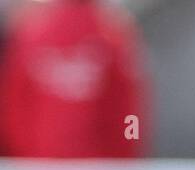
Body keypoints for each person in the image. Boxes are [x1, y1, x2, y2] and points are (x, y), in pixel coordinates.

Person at [0, 0, 150, 160]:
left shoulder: (32, 35)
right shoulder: (115, 38)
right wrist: (127, 158)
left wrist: (20, 159)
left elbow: (10, 111)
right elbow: (131, 115)